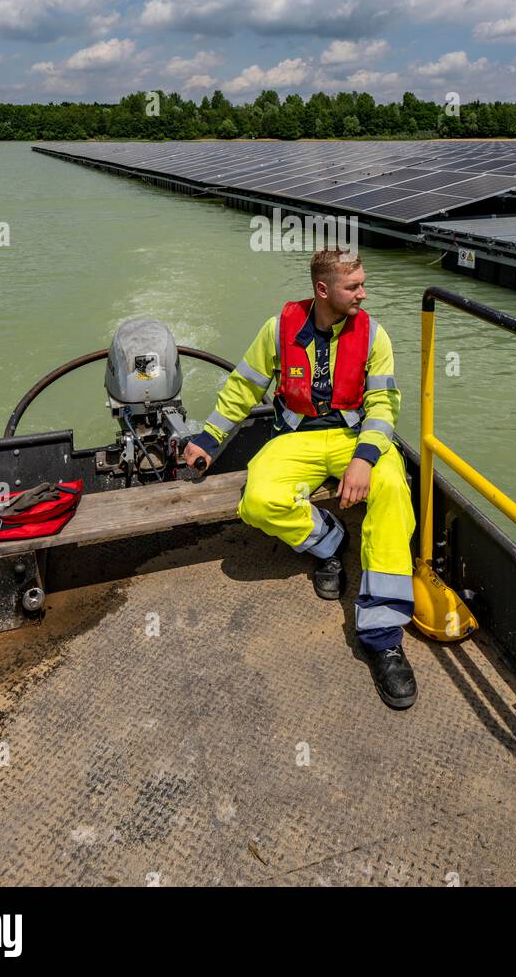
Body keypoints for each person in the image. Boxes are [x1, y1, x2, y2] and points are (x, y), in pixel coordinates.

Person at [182, 247, 418, 709]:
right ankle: (329, 543)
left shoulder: (375, 335)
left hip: (357, 437)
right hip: (297, 439)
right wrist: (208, 438)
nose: (363, 294)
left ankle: (383, 636)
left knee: (393, 490)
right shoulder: (278, 330)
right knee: (258, 501)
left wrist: (366, 458)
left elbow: (384, 407)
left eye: (363, 284)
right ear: (323, 289)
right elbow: (243, 387)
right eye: (354, 287)